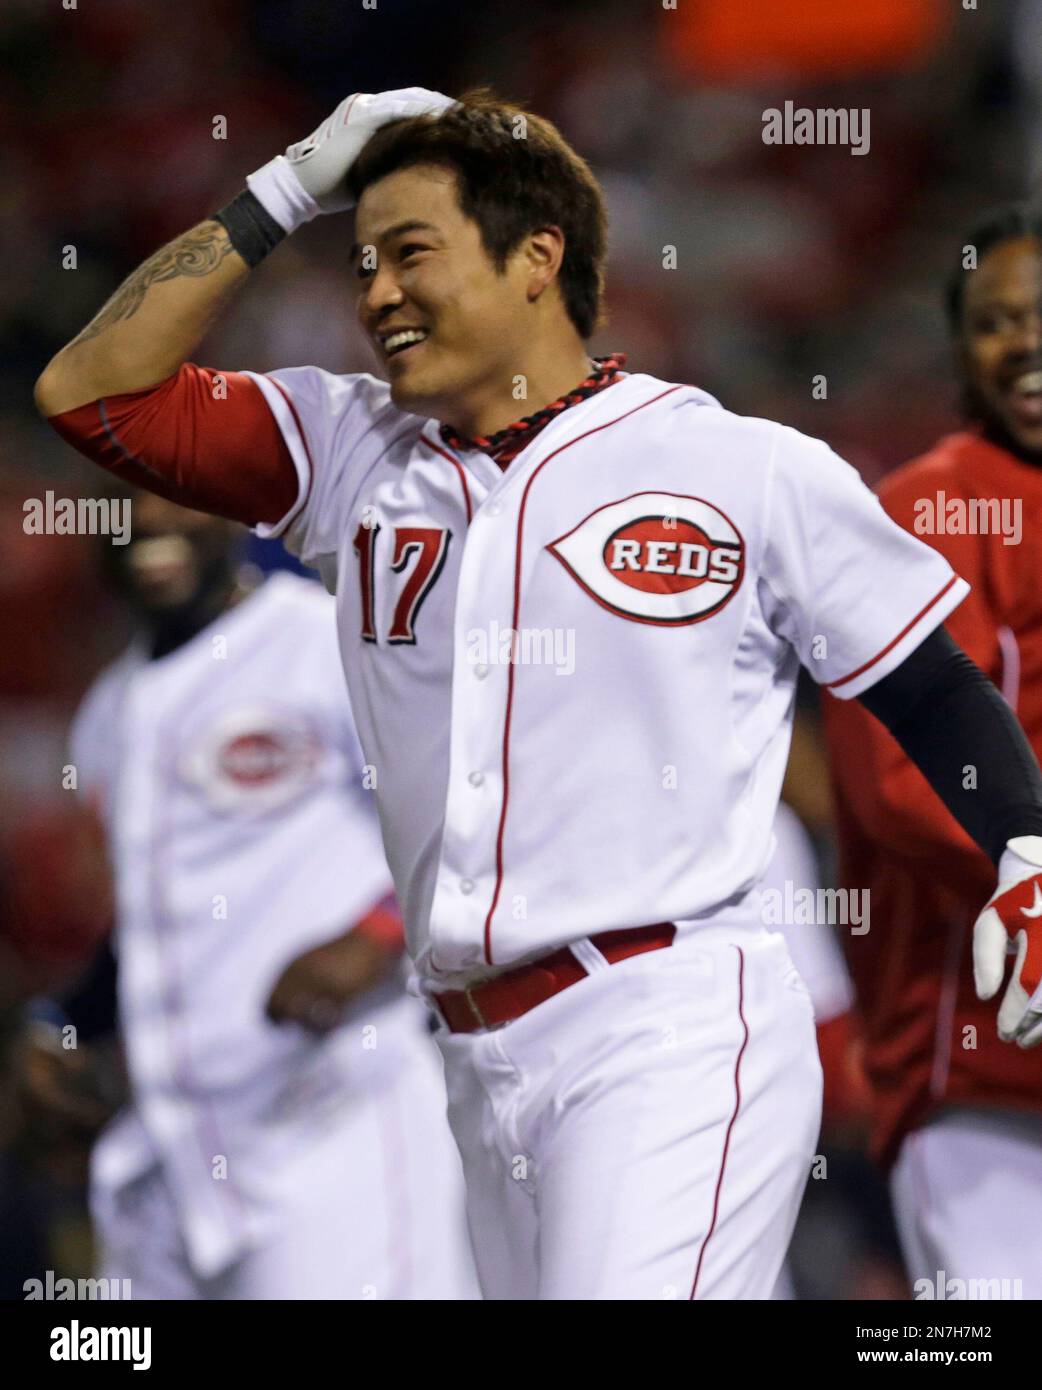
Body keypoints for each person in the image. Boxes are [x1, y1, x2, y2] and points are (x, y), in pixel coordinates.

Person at [32, 89, 1042, 1300]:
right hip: (470, 1058)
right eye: (360, 264)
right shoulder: (347, 449)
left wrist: (1026, 851)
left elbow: (929, 685)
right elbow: (93, 395)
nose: (375, 297)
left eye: (411, 254)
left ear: (535, 260)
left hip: (668, 1017)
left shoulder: (735, 465)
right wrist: (289, 187)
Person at [56, 487, 476, 1299]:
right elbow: (148, 930)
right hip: (175, 1155)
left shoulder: (322, 639)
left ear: (237, 510)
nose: (149, 520)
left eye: (176, 494)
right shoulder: (106, 713)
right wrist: (61, 1025)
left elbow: (477, 805)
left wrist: (380, 932)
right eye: (122, 502)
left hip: (337, 1116)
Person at [822, 205, 1042, 1299]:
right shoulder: (926, 504)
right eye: (995, 321)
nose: (1025, 343)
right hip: (979, 1047)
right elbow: (903, 786)